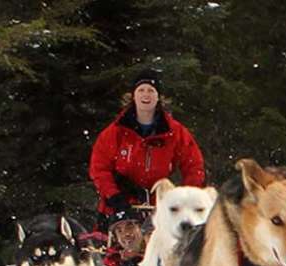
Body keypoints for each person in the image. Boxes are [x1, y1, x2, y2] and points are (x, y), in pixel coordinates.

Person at [88, 68, 206, 232]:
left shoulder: (175, 132)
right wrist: (114, 197)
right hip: (120, 204)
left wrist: (186, 196)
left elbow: (193, 165)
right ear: (133, 96)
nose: (146, 95)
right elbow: (99, 168)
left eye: (151, 90)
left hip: (159, 205)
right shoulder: (115, 132)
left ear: (158, 97)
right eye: (141, 90)